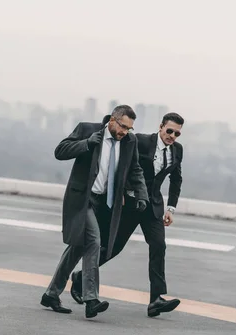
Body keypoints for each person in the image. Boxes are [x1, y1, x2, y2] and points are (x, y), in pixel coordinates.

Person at [69, 112, 185, 318]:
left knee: (159, 246)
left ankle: (156, 300)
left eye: (177, 133)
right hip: (130, 204)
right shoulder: (139, 140)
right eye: (169, 131)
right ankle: (80, 277)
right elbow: (121, 165)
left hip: (153, 207)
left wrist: (171, 208)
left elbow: (176, 180)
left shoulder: (177, 150)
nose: (172, 136)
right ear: (161, 127)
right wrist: (119, 191)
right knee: (113, 247)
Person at [40, 105, 149, 318]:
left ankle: (51, 294)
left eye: (129, 129)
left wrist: (142, 194)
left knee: (77, 248)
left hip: (105, 203)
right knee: (94, 242)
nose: (125, 132)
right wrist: (86, 144)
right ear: (112, 121)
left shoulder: (129, 142)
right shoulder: (88, 130)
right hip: (82, 199)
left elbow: (135, 169)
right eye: (123, 127)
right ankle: (91, 299)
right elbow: (60, 151)